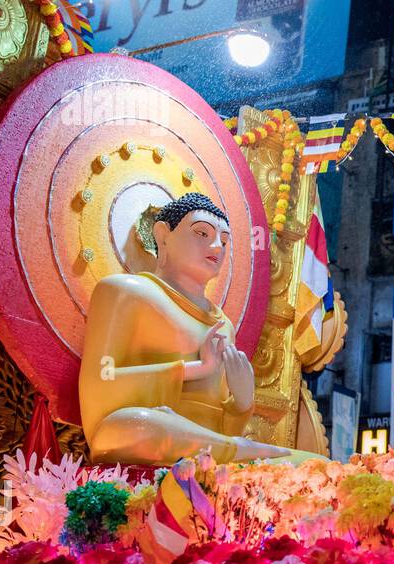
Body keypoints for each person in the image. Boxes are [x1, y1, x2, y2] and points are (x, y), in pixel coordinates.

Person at [79, 193, 300, 466]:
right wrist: (197, 369)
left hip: (204, 448)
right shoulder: (125, 292)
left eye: (224, 240)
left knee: (315, 465)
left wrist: (241, 403)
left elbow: (220, 427)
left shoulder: (223, 326)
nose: (216, 246)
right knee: (136, 427)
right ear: (163, 236)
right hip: (145, 433)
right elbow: (102, 379)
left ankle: (230, 452)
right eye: (202, 233)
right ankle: (231, 452)